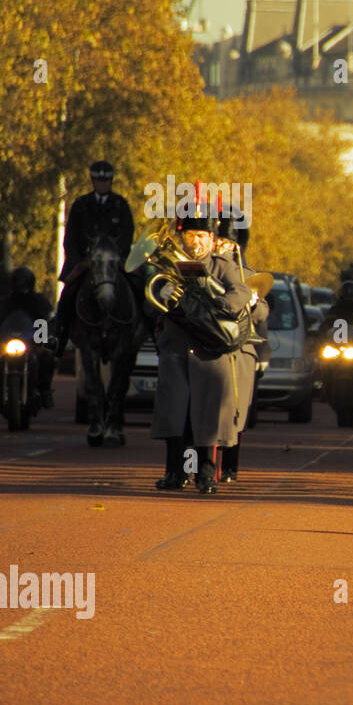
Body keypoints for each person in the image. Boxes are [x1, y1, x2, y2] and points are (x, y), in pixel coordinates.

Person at [149, 202, 251, 494]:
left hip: (209, 352)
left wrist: (216, 307)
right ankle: (175, 473)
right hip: (178, 350)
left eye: (201, 236)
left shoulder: (223, 266)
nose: (195, 241)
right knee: (175, 417)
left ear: (211, 238)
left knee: (207, 419)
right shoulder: (170, 266)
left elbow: (241, 292)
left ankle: (205, 475)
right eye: (190, 235)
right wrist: (161, 292)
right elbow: (150, 303)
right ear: (183, 238)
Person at [55, 160, 137, 357]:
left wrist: (117, 256)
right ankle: (60, 338)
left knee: (139, 289)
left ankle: (146, 334)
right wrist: (79, 261)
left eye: (106, 180)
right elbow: (70, 238)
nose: (102, 184)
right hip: (87, 264)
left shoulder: (120, 205)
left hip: (113, 263)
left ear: (111, 181)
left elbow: (127, 233)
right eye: (99, 180)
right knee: (67, 296)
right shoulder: (81, 205)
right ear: (93, 181)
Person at [215, 217, 269, 484]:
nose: (223, 246)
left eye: (228, 243)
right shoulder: (205, 269)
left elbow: (263, 316)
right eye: (220, 241)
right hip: (211, 347)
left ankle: (229, 467)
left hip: (242, 350)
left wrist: (256, 303)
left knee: (237, 410)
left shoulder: (247, 274)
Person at [0, 267, 56, 407]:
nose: (22, 286)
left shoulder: (39, 300)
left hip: (31, 342)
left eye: (24, 283)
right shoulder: (6, 301)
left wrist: (45, 337)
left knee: (47, 357)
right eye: (19, 283)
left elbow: (46, 319)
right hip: (8, 341)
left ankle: (45, 391)